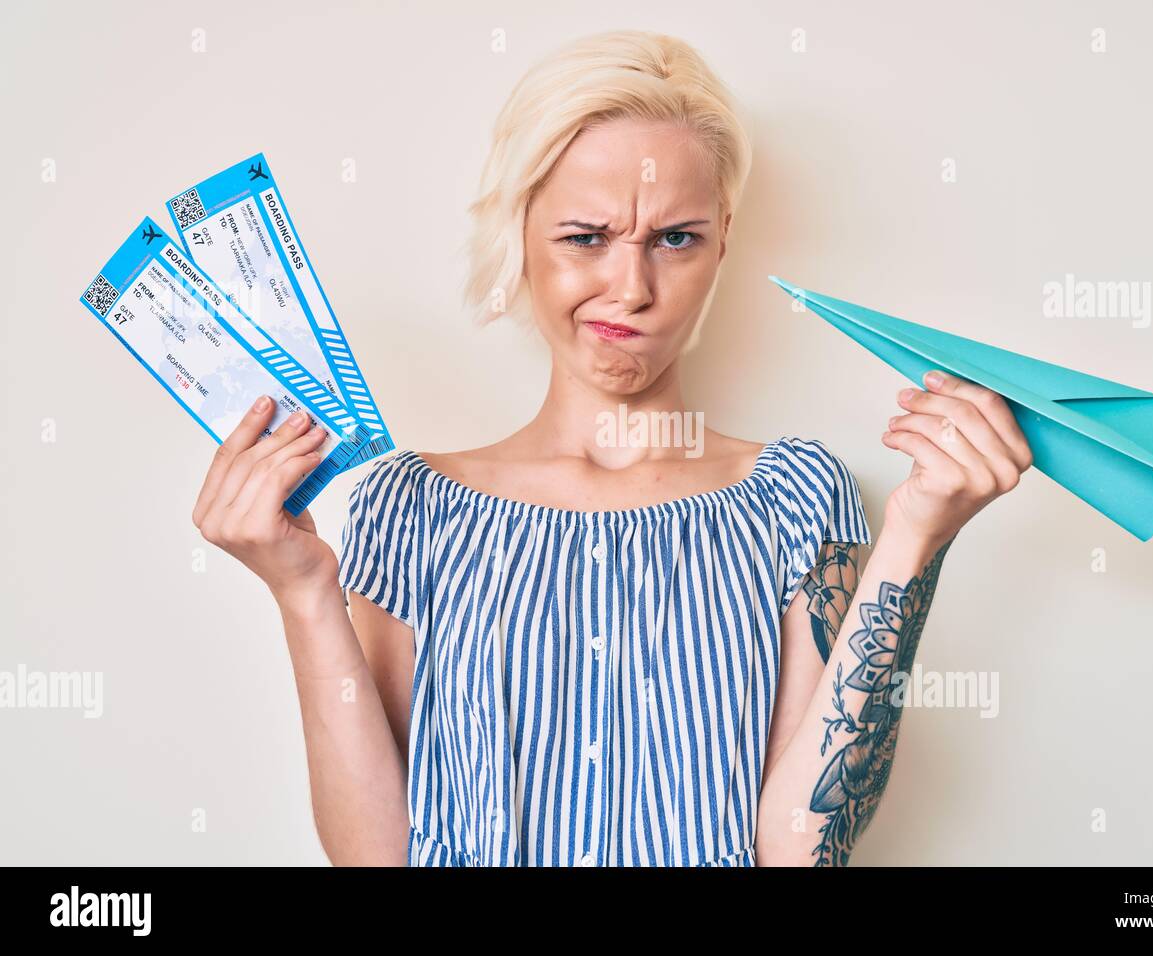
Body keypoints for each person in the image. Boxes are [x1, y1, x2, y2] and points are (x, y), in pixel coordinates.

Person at [191, 29, 1031, 867]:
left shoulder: (797, 496)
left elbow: (802, 852)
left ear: (724, 239)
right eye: (586, 236)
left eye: (676, 238)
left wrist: (919, 536)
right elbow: (376, 858)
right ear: (521, 231)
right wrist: (302, 592)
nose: (630, 289)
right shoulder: (410, 506)